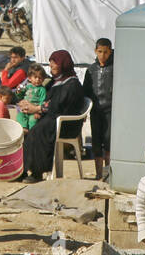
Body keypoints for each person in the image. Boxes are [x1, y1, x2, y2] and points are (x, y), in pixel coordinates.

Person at [18, 50, 86, 182]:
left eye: (54, 64)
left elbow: (58, 106)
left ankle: (37, 172)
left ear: (63, 64)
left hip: (66, 124)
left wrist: (36, 109)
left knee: (39, 130)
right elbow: (46, 100)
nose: (51, 67)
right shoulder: (56, 82)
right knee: (28, 129)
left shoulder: (72, 84)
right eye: (50, 64)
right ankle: (24, 169)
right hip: (53, 118)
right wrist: (28, 105)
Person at [82, 37, 114, 180]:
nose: (102, 55)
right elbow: (86, 91)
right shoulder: (91, 69)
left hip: (110, 110)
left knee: (108, 142)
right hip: (95, 111)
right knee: (96, 142)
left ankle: (108, 174)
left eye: (106, 52)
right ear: (95, 51)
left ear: (110, 52)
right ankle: (99, 174)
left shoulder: (115, 68)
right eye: (100, 51)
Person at [13, 65, 47, 131]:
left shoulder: (42, 89)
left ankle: (32, 132)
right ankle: (24, 129)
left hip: (34, 111)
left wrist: (38, 112)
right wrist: (18, 91)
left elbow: (42, 101)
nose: (37, 80)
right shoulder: (27, 86)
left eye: (40, 78)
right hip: (25, 109)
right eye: (35, 77)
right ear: (29, 78)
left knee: (33, 120)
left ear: (43, 79)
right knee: (20, 116)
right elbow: (20, 96)